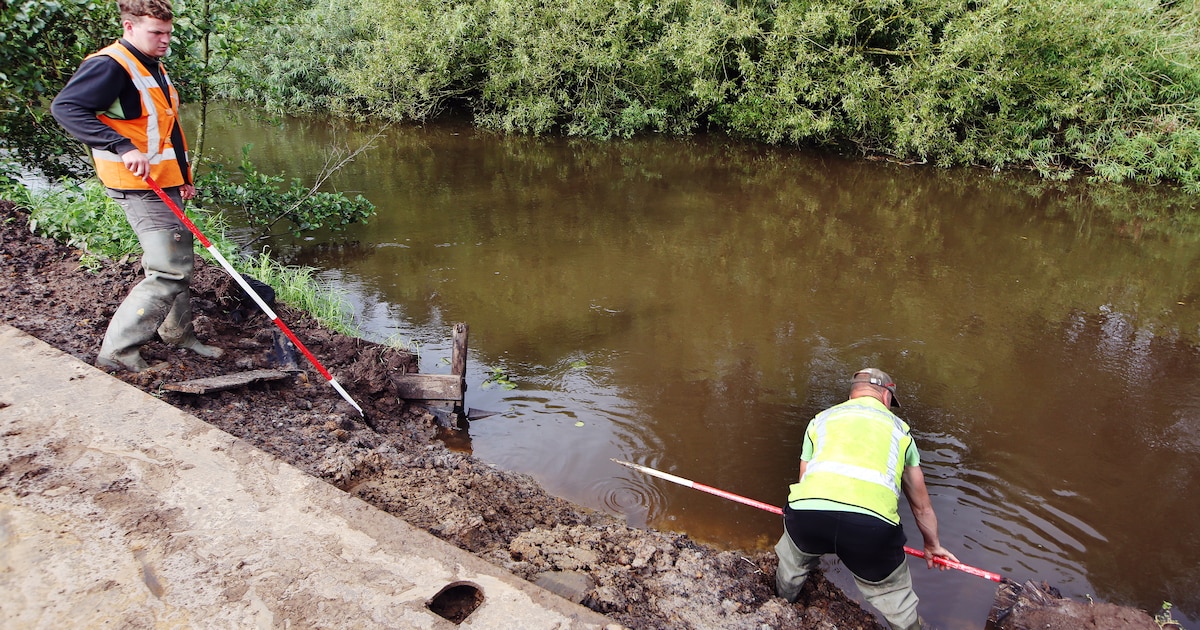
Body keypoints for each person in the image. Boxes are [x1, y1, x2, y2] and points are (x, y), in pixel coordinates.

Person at [51, 0, 222, 372]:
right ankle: (118, 352)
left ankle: (178, 333)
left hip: (164, 182)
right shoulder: (111, 65)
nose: (165, 41)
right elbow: (66, 108)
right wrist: (122, 146)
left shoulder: (152, 65)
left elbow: (167, 127)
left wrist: (183, 178)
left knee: (173, 258)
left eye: (168, 33)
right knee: (169, 268)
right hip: (138, 184)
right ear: (129, 28)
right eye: (156, 33)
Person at [775, 368, 957, 630]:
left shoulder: (820, 420)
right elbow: (921, 506)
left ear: (853, 394)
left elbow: (805, 480)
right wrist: (932, 545)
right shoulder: (901, 432)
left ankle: (781, 606)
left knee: (792, 563)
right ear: (886, 396)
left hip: (808, 515)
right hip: (871, 529)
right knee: (896, 599)